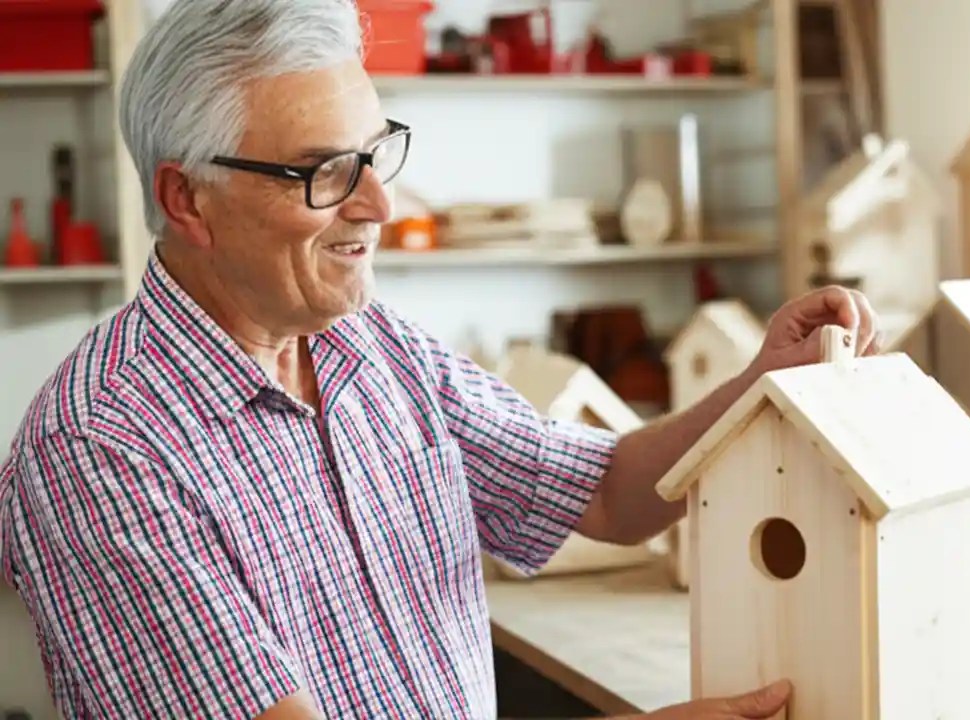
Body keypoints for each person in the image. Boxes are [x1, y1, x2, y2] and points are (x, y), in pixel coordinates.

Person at [0, 1, 882, 718]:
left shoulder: (367, 343)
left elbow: (606, 492)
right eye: (324, 173)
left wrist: (759, 383)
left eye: (375, 152)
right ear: (186, 198)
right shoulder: (103, 453)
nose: (379, 203)